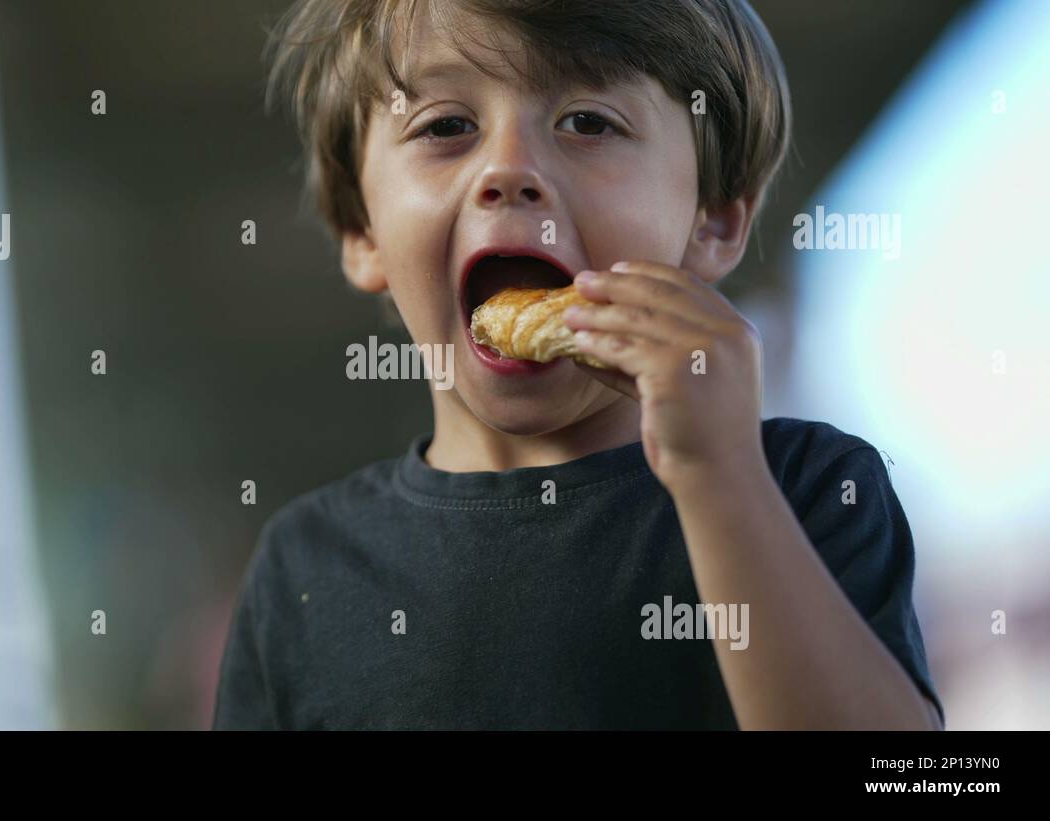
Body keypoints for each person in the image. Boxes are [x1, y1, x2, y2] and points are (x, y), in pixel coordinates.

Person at [214, 0, 942, 730]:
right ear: (362, 229)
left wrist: (720, 471)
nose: (508, 169)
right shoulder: (304, 569)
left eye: (589, 122)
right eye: (445, 126)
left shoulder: (805, 490)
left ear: (712, 218)